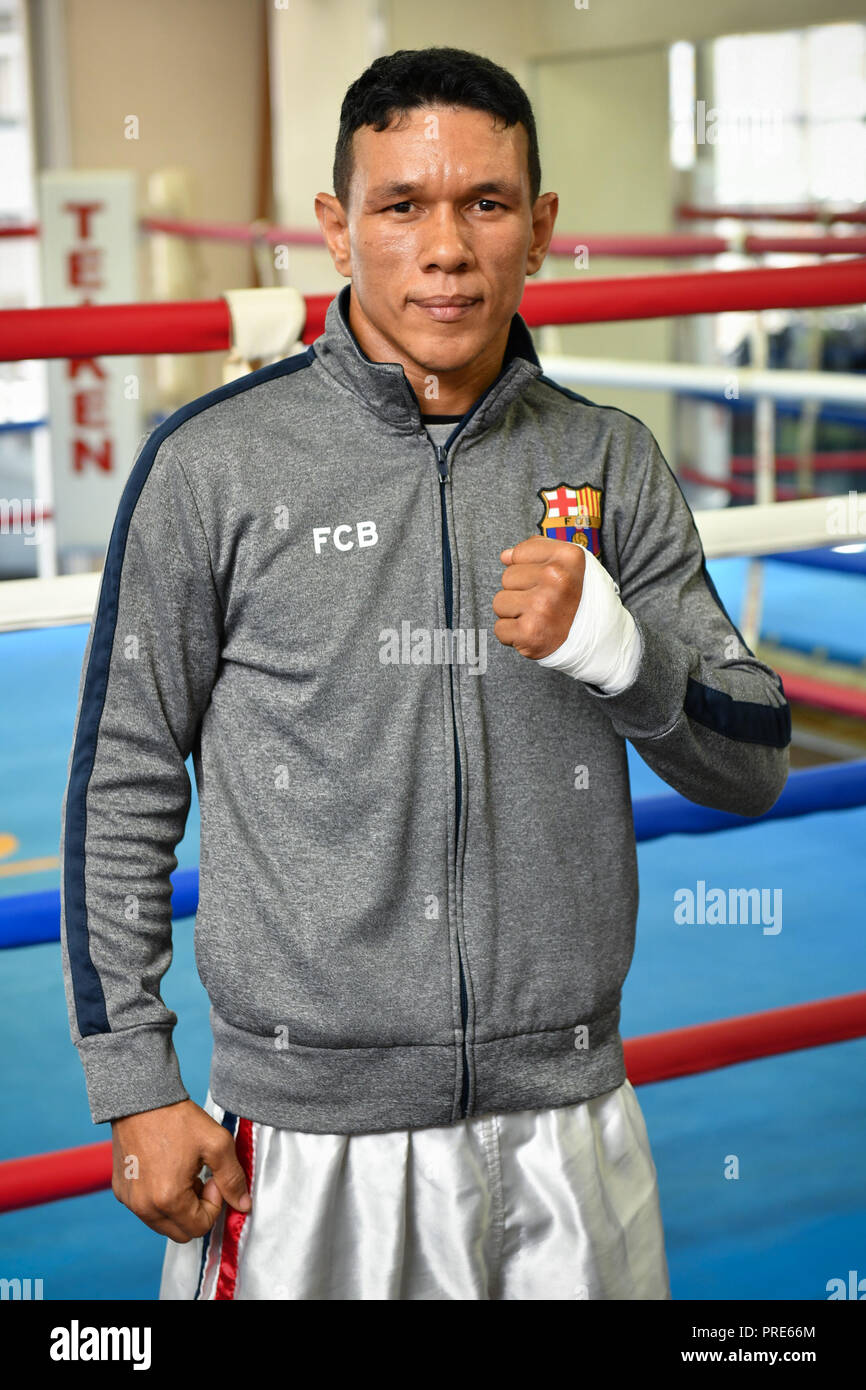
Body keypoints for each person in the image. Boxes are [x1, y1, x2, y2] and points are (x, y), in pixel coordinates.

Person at [59, 46, 791, 1301]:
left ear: (541, 227)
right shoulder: (214, 467)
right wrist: (136, 1080)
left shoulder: (607, 464)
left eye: (485, 204)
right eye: (401, 206)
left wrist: (620, 656)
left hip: (565, 1115)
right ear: (338, 229)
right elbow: (124, 775)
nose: (444, 249)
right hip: (302, 1136)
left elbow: (754, 759)